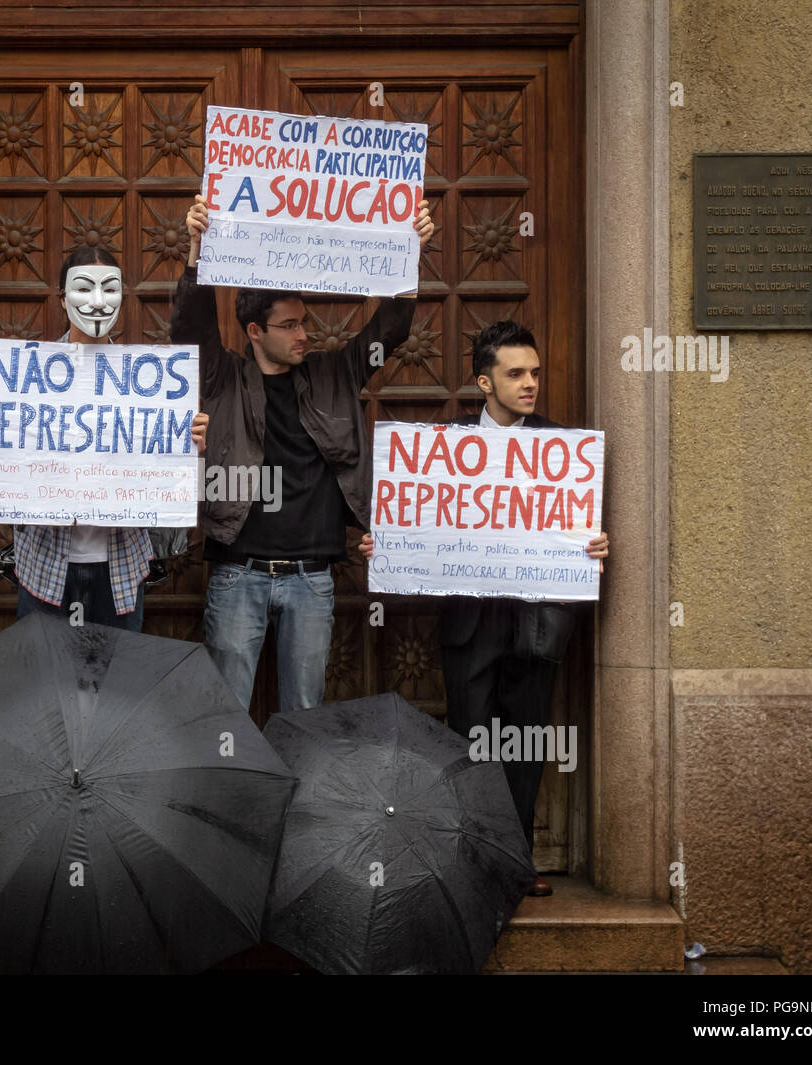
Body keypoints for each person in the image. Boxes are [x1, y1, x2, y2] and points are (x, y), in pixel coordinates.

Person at [360, 320, 609, 896]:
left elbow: (579, 530)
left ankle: (516, 862)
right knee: (471, 743)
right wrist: (386, 542)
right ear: (483, 381)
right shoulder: (443, 447)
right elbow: (414, 515)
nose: (530, 384)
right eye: (515, 373)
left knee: (523, 740)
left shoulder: (561, 450)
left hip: (537, 620)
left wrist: (595, 542)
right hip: (470, 622)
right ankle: (470, 860)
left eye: (536, 373)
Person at [174, 194, 435, 714]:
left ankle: (302, 801)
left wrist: (411, 249)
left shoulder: (334, 374)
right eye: (289, 326)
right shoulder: (223, 376)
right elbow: (190, 328)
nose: (303, 334)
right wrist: (196, 250)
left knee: (305, 719)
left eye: (303, 323)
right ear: (254, 332)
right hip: (237, 575)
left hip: (311, 580)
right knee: (223, 718)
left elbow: (388, 331)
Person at [0, 245, 208, 630]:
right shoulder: (23, 377)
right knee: (46, 683)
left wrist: (187, 446)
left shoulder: (146, 381)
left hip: (120, 568)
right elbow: (11, 465)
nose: (97, 302)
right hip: (45, 567)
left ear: (122, 298)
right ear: (62, 299)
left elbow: (165, 475)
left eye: (110, 290)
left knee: (114, 685)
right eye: (83, 289)